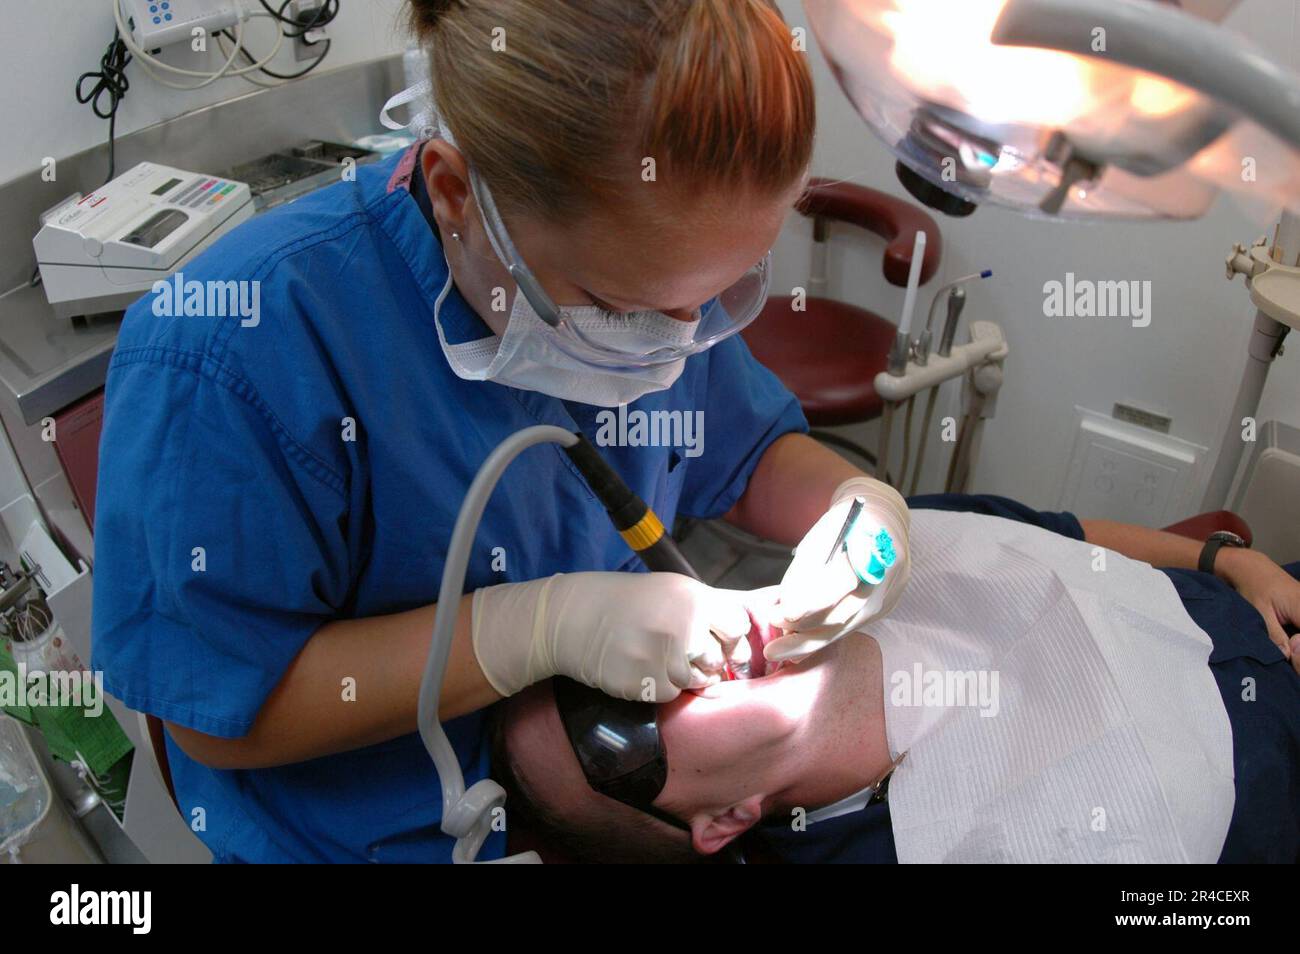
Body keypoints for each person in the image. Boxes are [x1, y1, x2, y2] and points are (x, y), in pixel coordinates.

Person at [90, 0, 911, 863]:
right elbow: (220, 715)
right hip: (376, 833)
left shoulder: (657, 275)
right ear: (453, 192)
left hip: (578, 814)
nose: (676, 340)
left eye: (712, 299)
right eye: (623, 309)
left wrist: (859, 507)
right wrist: (527, 628)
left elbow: (746, 450)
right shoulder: (236, 349)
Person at [493, 496, 1300, 863]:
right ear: (722, 821)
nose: (650, 666)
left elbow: (1072, 535)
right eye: (614, 722)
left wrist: (1231, 559)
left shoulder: (881, 547)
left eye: (608, 641)